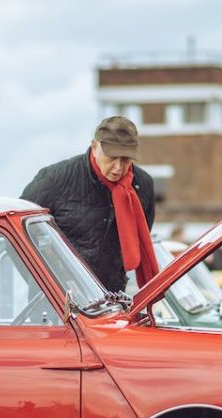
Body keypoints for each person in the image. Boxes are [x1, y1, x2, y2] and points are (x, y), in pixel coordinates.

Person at [22, 116, 158, 294]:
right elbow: (20, 236)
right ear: (95, 147)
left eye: (126, 159)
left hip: (111, 297)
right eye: (112, 157)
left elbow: (142, 235)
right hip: (57, 298)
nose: (118, 167)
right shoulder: (54, 179)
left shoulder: (143, 185)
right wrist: (51, 282)